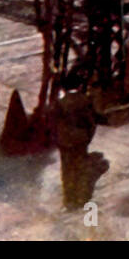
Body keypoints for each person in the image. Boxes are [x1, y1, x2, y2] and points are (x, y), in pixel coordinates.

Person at [54, 70, 100, 209]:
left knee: (67, 170)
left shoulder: (60, 103)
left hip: (64, 142)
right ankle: (81, 199)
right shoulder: (85, 101)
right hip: (80, 141)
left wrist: (59, 138)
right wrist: (87, 138)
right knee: (80, 169)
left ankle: (69, 199)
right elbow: (91, 122)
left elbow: (54, 123)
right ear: (79, 85)